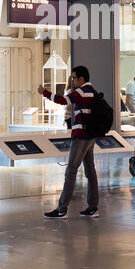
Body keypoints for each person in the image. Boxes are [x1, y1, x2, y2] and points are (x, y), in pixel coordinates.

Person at [39, 65, 99, 219]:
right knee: (90, 170)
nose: (72, 81)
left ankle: (62, 209)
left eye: (74, 77)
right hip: (91, 135)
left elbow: (62, 100)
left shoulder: (81, 92)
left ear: (81, 79)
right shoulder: (92, 91)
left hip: (82, 135)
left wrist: (44, 92)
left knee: (71, 170)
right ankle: (93, 207)